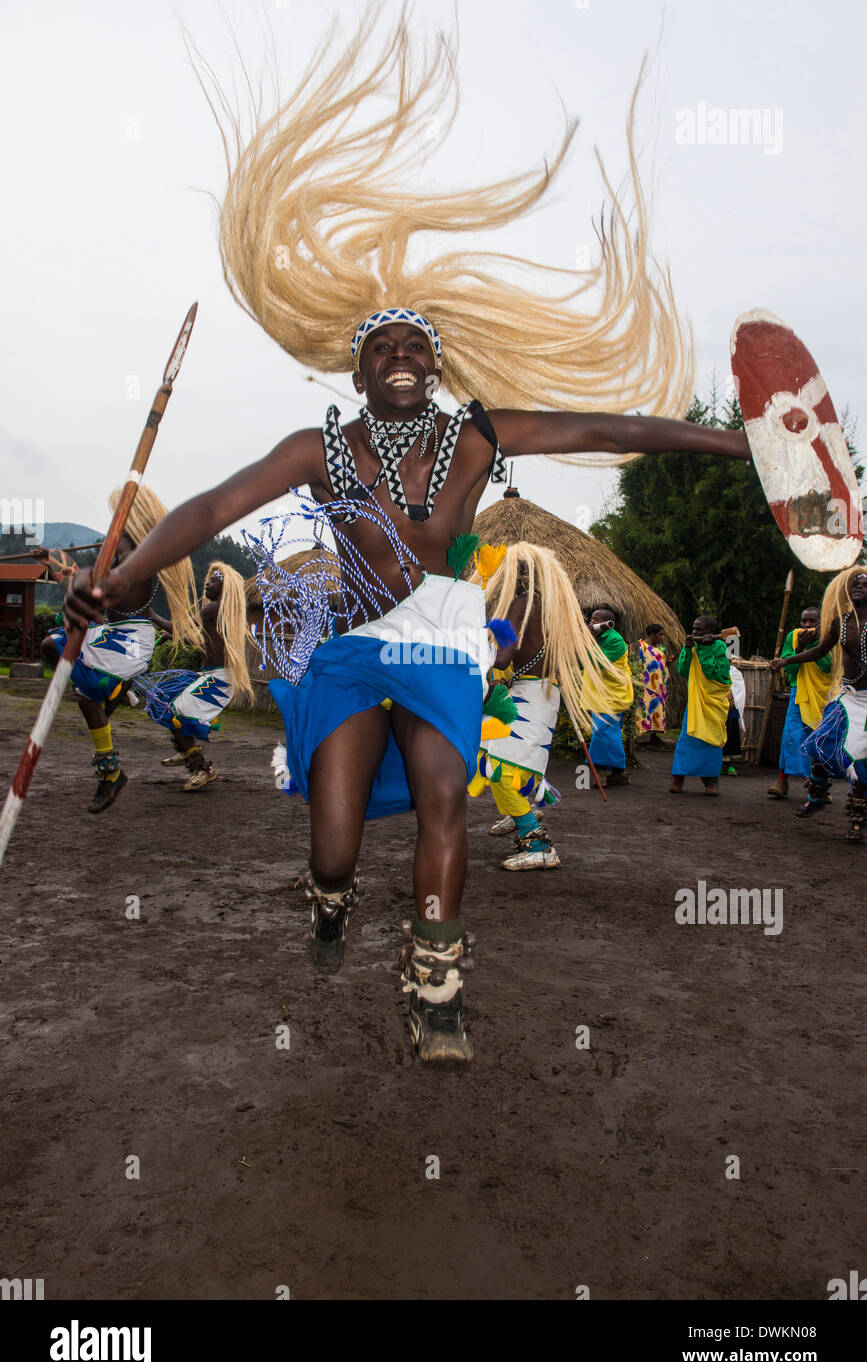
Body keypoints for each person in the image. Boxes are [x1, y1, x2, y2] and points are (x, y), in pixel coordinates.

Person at [64, 15, 754, 1061]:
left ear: (434, 367)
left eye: (413, 345)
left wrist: (731, 442)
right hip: (349, 650)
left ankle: (436, 988)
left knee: (445, 798)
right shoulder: (319, 446)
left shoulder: (479, 438)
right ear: (357, 372)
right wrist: (119, 581)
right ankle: (330, 898)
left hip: (441, 642)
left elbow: (609, 425)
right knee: (336, 843)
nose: (397, 355)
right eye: (379, 345)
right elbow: (210, 511)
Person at [468, 544, 629, 869]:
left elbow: (502, 658)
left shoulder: (519, 604)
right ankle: (518, 814)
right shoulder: (551, 606)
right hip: (542, 693)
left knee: (504, 768)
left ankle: (538, 843)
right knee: (492, 756)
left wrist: (478, 641)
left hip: (530, 695)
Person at [43, 487, 199, 812]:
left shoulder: (136, 557)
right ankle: (114, 695)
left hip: (129, 643)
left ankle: (111, 768)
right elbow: (84, 582)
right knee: (58, 657)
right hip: (115, 635)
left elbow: (97, 589)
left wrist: (79, 577)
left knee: (83, 690)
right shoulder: (124, 549)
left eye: (119, 513)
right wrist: (51, 559)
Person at [137, 563, 253, 791]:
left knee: (174, 710)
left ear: (223, 587)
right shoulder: (222, 610)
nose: (206, 584)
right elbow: (201, 640)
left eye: (212, 581)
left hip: (219, 679)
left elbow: (187, 631)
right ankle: (186, 749)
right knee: (167, 701)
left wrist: (151, 615)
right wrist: (171, 635)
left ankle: (202, 770)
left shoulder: (213, 609)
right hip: (212, 676)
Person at [771, 566, 867, 841]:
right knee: (821, 742)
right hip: (848, 697)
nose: (859, 588)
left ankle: (857, 820)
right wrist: (787, 660)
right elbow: (821, 651)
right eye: (855, 584)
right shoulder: (840, 621)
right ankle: (817, 795)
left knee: (861, 758)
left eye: (865, 585)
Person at [767, 607, 833, 798]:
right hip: (799, 693)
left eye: (812, 621)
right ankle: (782, 780)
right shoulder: (793, 637)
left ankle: (820, 786)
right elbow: (790, 669)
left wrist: (814, 647)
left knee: (820, 740)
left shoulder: (831, 637)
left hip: (823, 696)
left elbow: (829, 667)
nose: (806, 626)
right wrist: (799, 649)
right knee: (791, 737)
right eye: (803, 621)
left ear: (823, 622)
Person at [670, 617, 732, 795]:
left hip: (713, 704)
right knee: (686, 740)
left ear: (711, 633)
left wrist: (704, 649)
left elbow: (715, 673)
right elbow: (683, 670)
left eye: (700, 631)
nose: (695, 633)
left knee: (711, 742)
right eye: (694, 630)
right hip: (695, 703)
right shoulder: (691, 646)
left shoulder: (720, 647)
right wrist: (688, 649)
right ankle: (678, 778)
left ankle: (711, 782)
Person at [586, 609, 634, 787]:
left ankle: (602, 771)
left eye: (595, 620)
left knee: (603, 733)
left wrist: (588, 639)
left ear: (607, 622)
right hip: (600, 695)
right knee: (608, 732)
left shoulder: (615, 640)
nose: (592, 623)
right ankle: (618, 773)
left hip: (612, 695)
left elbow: (597, 663)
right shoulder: (600, 638)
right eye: (591, 619)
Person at [637, 623, 670, 747]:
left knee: (657, 710)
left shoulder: (661, 649)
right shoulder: (641, 647)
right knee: (643, 708)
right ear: (652, 634)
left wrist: (669, 662)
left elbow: (662, 664)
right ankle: (638, 735)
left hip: (659, 685)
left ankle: (653, 735)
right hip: (646, 684)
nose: (662, 637)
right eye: (660, 634)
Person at [722, 661, 746, 775]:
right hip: (718, 707)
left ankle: (730, 765)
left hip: (732, 710)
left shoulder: (735, 673)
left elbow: (739, 691)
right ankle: (717, 764)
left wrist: (732, 700)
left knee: (731, 734)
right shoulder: (715, 670)